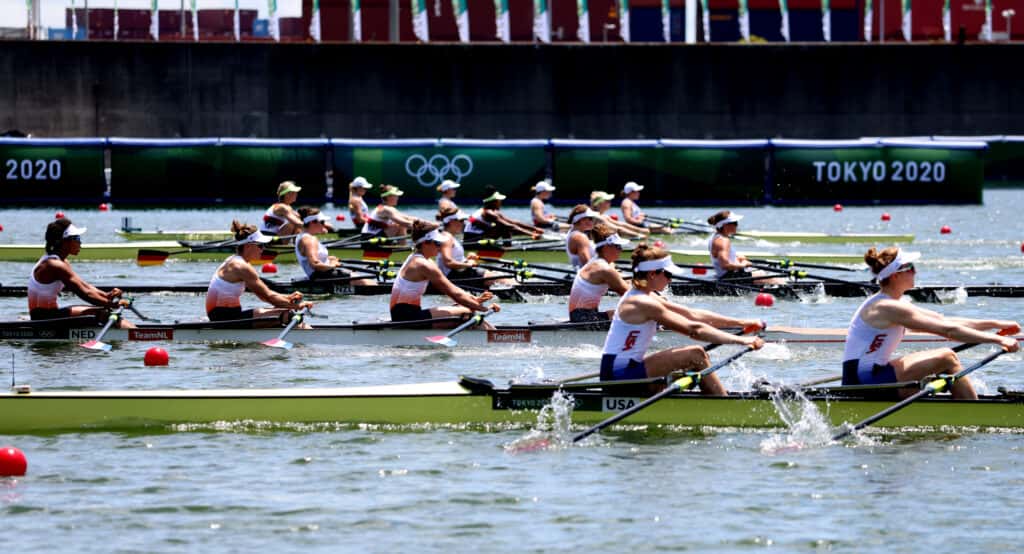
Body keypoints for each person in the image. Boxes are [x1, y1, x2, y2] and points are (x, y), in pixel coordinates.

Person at [841, 247, 1019, 399]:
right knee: (947, 357)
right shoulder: (886, 307)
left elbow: (943, 320)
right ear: (895, 275)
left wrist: (996, 323)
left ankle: (960, 403)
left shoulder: (893, 304)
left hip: (871, 376)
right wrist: (999, 340)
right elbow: (948, 331)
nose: (915, 271)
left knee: (944, 359)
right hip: (862, 383)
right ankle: (974, 413)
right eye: (910, 267)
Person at [599, 243, 765, 395]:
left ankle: (713, 398)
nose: (670, 279)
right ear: (652, 274)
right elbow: (694, 330)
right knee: (696, 354)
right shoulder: (642, 302)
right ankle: (723, 404)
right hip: (619, 377)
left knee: (692, 359)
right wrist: (741, 341)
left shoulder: (646, 296)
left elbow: (693, 314)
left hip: (628, 370)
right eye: (668, 274)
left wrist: (742, 323)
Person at [390, 221, 501, 329]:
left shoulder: (418, 258)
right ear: (425, 243)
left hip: (405, 314)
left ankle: (489, 339)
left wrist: (474, 299)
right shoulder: (423, 264)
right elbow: (452, 292)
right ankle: (497, 340)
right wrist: (485, 309)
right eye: (437, 243)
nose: (440, 247)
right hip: (406, 318)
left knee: (465, 308)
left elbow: (452, 287)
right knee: (467, 314)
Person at [28, 218, 134, 328]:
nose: (80, 242)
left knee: (104, 309)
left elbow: (85, 286)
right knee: (104, 314)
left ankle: (130, 334)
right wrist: (114, 304)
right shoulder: (54, 265)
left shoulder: (61, 262)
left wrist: (107, 295)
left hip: (51, 314)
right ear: (64, 241)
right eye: (77, 238)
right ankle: (136, 336)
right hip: (43, 320)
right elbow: (85, 294)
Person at [206, 221, 313, 327]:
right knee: (287, 315)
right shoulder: (240, 266)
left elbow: (263, 296)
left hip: (227, 315)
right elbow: (269, 296)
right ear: (248, 246)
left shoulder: (234, 260)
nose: (263, 249)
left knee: (285, 311)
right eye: (260, 245)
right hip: (225, 319)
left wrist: (287, 298)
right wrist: (297, 306)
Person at [294, 207, 374, 286]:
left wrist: (328, 259)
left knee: (363, 279)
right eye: (322, 222)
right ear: (312, 222)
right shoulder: (310, 240)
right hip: (323, 276)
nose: (324, 225)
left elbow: (312, 260)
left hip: (321, 275)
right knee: (369, 283)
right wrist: (332, 265)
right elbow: (315, 264)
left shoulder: (301, 236)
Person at [568, 223, 631, 323]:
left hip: (581, 315)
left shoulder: (596, 261)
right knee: (636, 313)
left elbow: (614, 272)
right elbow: (631, 294)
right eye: (618, 246)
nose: (621, 250)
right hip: (584, 319)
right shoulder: (604, 269)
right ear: (606, 247)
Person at [436, 206, 511, 287]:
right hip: (456, 276)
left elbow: (454, 259)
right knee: (502, 279)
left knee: (498, 276)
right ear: (451, 221)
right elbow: (448, 262)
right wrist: (468, 264)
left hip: (461, 273)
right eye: (461, 220)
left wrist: (467, 259)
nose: (463, 223)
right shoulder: (447, 238)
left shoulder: (449, 236)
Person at [706, 210, 782, 284]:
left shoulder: (714, 237)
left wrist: (737, 258)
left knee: (761, 273)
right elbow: (725, 265)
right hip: (731, 278)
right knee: (771, 278)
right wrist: (743, 264)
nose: (737, 225)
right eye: (735, 223)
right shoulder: (723, 241)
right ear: (725, 225)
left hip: (728, 276)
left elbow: (722, 259)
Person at [463, 186, 545, 243]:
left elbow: (513, 222)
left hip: (480, 236)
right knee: (503, 227)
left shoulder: (492, 211)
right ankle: (508, 247)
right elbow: (509, 226)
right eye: (499, 200)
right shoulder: (488, 213)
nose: (501, 202)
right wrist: (531, 234)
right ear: (494, 202)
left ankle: (507, 245)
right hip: (472, 239)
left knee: (505, 226)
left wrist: (534, 228)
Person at [565, 204, 599, 269]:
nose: (593, 221)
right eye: (591, 218)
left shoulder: (572, 232)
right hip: (589, 275)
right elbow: (587, 264)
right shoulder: (580, 237)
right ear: (581, 220)